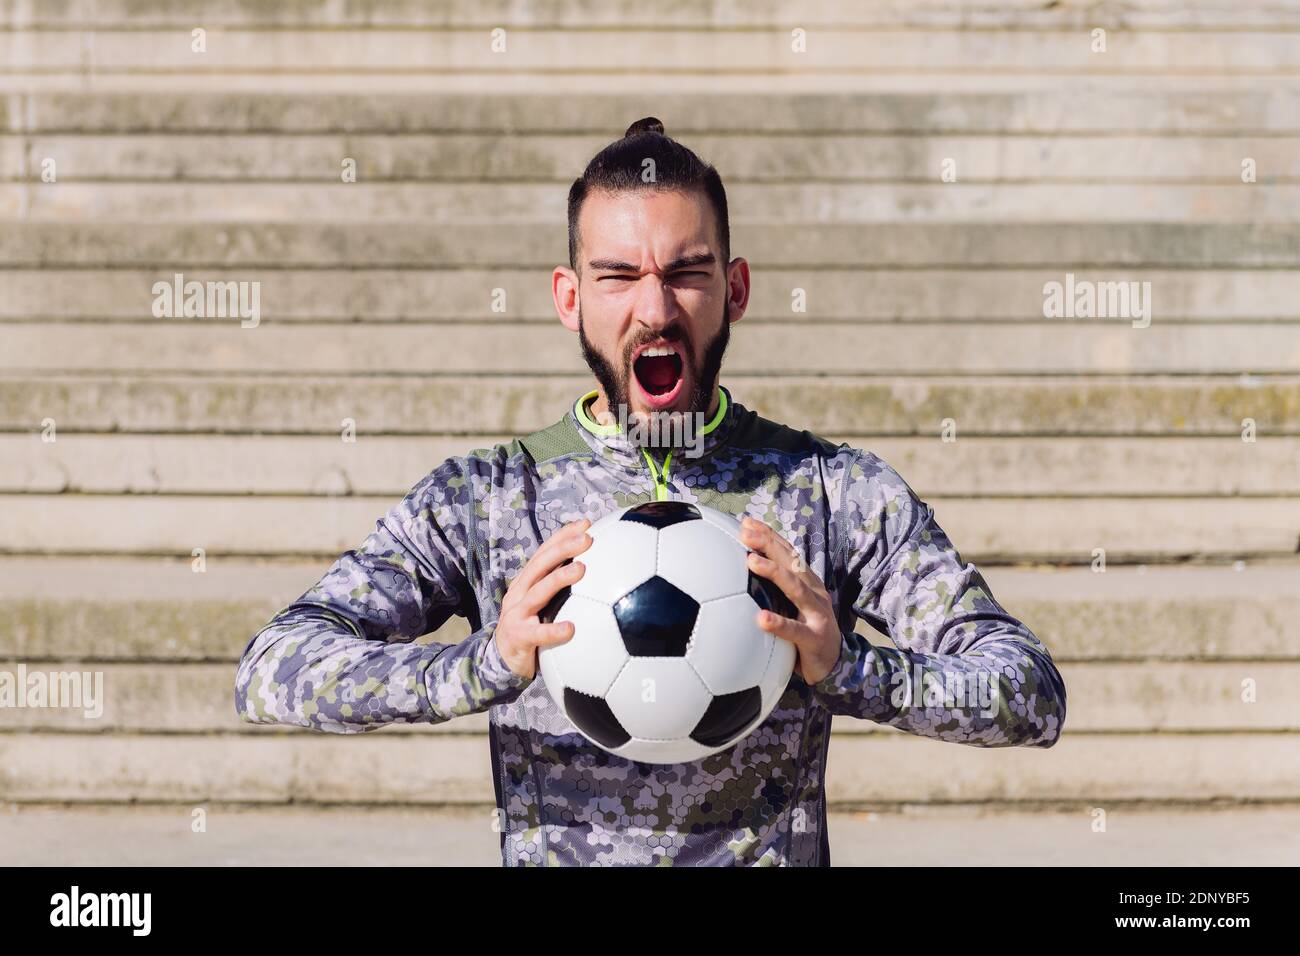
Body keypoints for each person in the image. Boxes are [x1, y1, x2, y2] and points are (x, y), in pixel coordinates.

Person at [234, 117, 1067, 866]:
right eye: (618, 276)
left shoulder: (834, 491)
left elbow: (1030, 693)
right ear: (570, 299)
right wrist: (481, 664)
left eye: (688, 273)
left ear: (735, 288)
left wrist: (847, 667)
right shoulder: (487, 498)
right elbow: (272, 671)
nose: (656, 308)